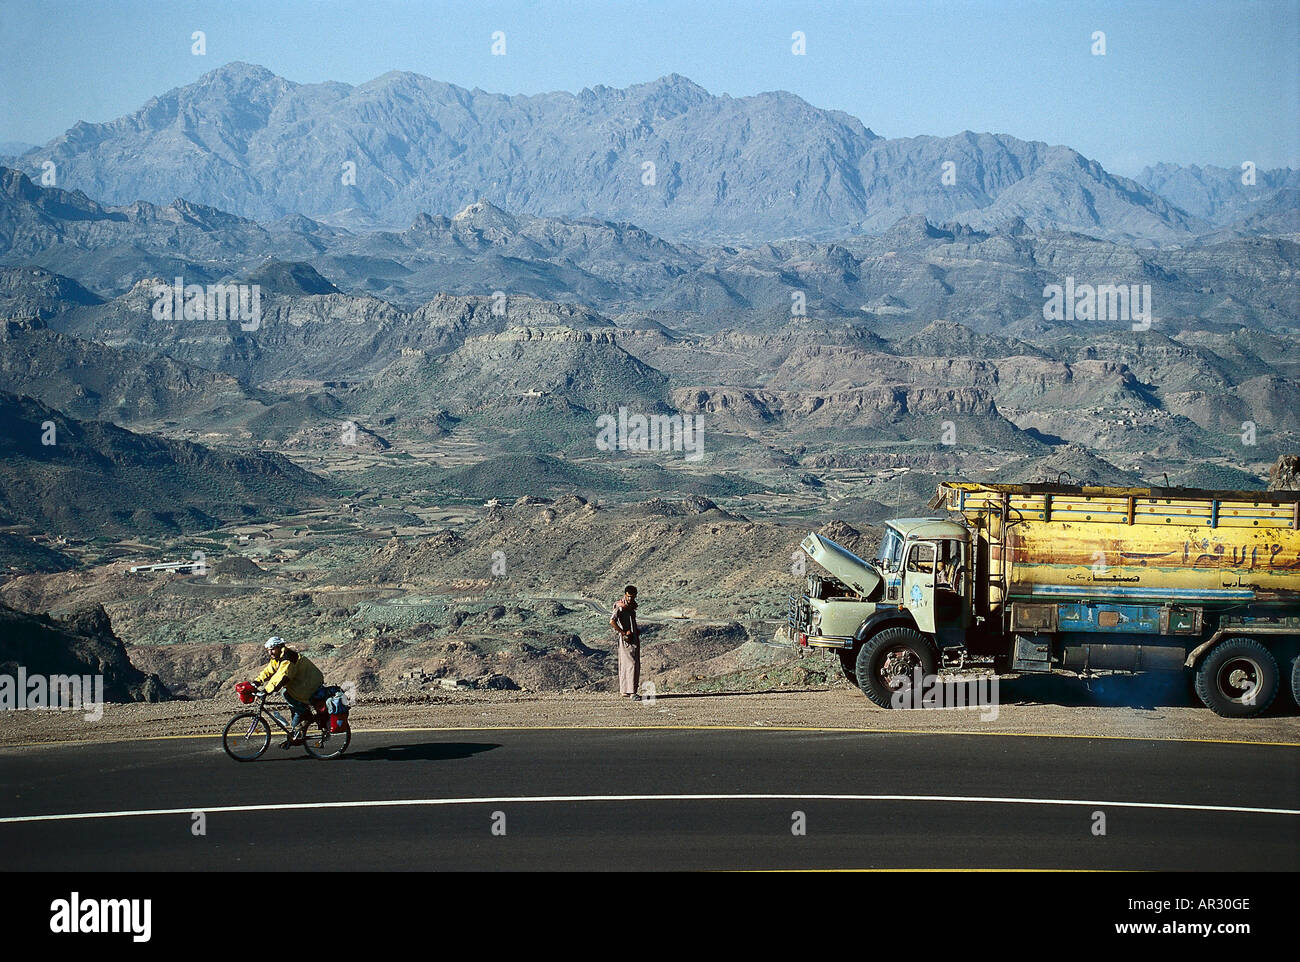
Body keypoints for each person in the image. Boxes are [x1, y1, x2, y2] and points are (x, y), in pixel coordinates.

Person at [253, 637, 327, 747]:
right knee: (287, 694)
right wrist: (256, 682)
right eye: (268, 650)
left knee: (288, 695)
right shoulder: (278, 658)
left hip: (309, 684)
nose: (270, 652)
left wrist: (266, 690)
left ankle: (304, 718)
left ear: (279, 647)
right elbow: (269, 670)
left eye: (272, 649)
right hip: (301, 684)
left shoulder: (288, 658)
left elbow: (282, 676)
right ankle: (300, 725)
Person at [609, 585, 640, 699]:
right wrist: (623, 632)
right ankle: (632, 692)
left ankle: (625, 690)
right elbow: (612, 621)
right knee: (631, 664)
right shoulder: (620, 607)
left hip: (633, 637)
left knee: (630, 664)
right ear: (625, 595)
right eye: (629, 596)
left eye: (633, 596)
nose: (631, 599)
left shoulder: (631, 606)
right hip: (627, 640)